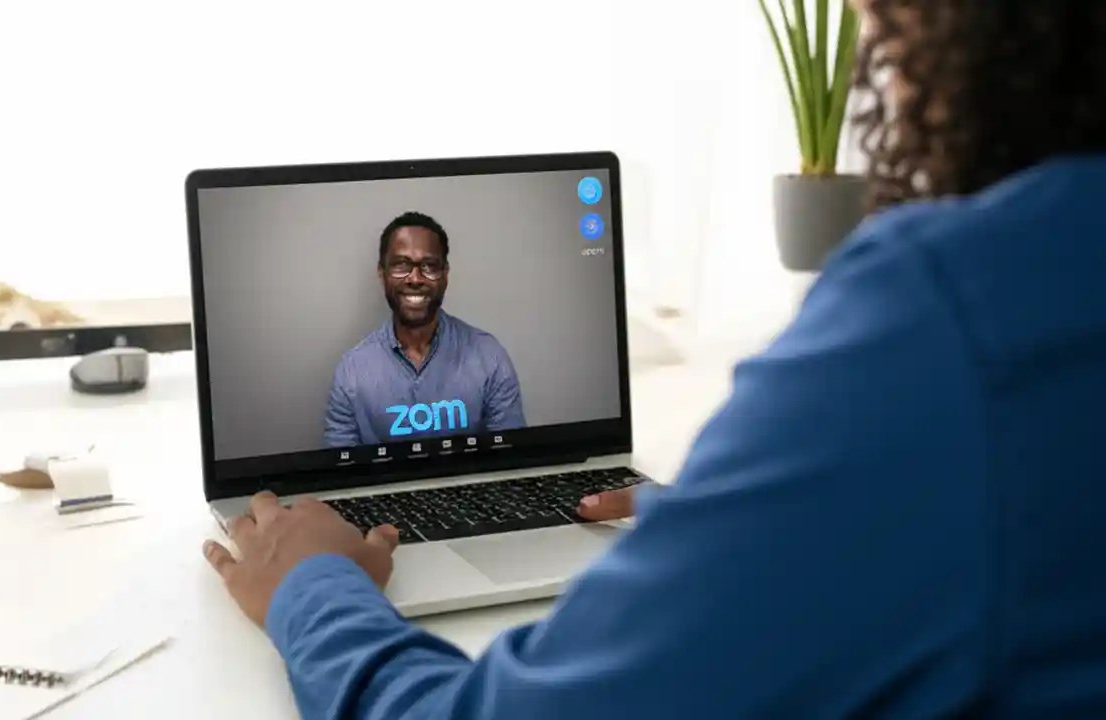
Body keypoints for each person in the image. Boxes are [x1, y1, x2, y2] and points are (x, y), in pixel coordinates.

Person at [206, 1, 1106, 716]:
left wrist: (309, 584)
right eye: (399, 262)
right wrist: (761, 521)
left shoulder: (954, 309)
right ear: (382, 272)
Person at [323, 211, 526, 448]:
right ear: (382, 273)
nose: (415, 278)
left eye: (429, 266)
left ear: (445, 275)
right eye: (401, 265)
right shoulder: (351, 372)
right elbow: (340, 471)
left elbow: (512, 456)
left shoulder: (489, 357)